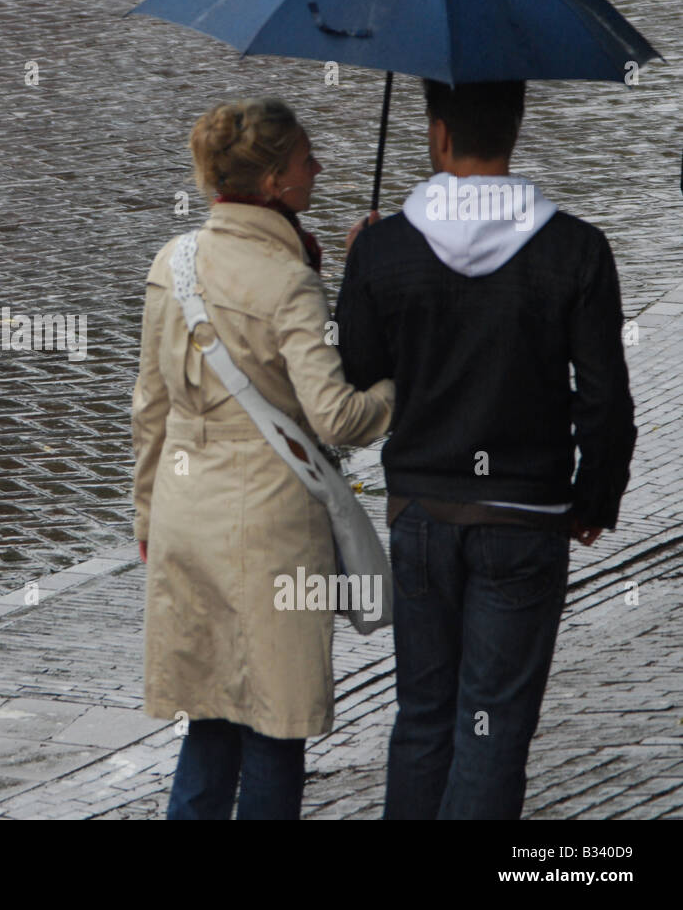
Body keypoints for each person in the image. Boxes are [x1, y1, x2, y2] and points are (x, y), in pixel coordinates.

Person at [335, 79, 637, 820]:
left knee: (423, 715)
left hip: (421, 513)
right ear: (517, 125)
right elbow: (606, 399)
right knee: (492, 725)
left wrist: (357, 269)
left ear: (438, 134)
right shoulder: (576, 248)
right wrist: (594, 496)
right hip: (525, 515)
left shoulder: (386, 247)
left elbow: (359, 370)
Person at [131, 97, 396, 820]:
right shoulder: (287, 283)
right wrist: (401, 386)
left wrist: (147, 516)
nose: (319, 169)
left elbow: (149, 407)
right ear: (277, 181)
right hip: (272, 528)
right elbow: (336, 416)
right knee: (276, 722)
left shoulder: (173, 261)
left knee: (210, 712)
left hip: (185, 517)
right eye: (308, 160)